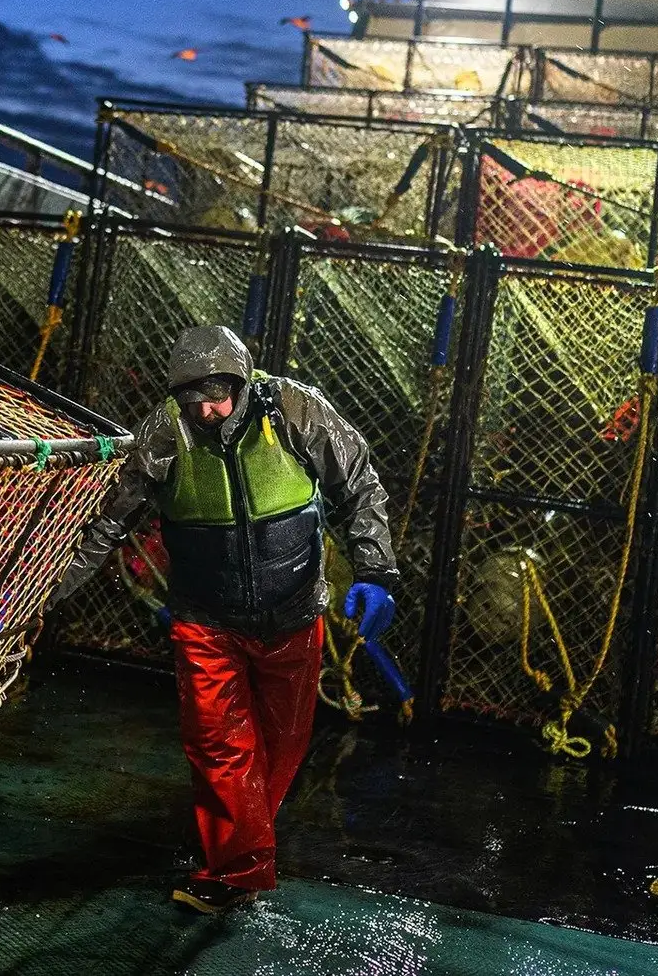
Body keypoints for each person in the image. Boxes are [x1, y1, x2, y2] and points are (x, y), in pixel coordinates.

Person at [54, 325, 399, 916]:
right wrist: (44, 592)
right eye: (195, 401)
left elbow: (358, 484)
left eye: (219, 395)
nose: (209, 411)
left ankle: (235, 837)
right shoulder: (165, 432)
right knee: (219, 743)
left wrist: (376, 570)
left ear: (242, 383)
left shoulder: (297, 409)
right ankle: (233, 872)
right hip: (206, 621)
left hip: (292, 614)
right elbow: (109, 523)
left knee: (281, 744)